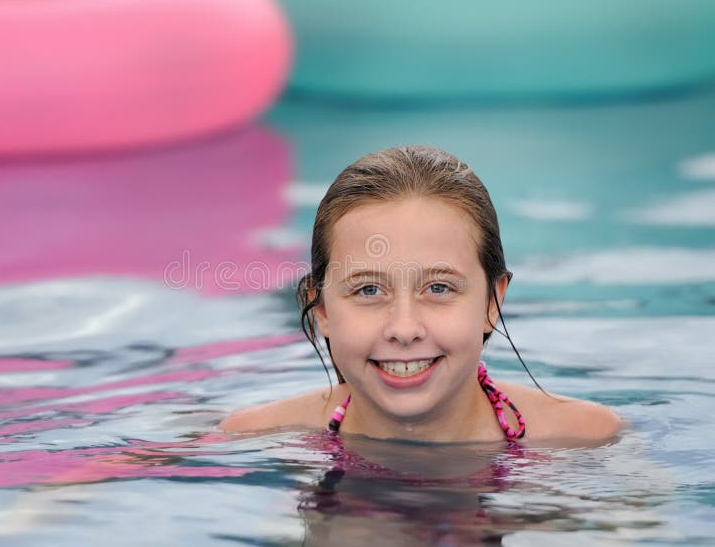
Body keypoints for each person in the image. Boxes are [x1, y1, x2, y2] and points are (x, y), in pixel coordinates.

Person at [219, 146, 622, 443]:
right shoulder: (256, 438)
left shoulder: (582, 439)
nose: (404, 329)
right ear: (321, 308)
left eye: (439, 287)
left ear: (492, 302)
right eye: (369, 289)